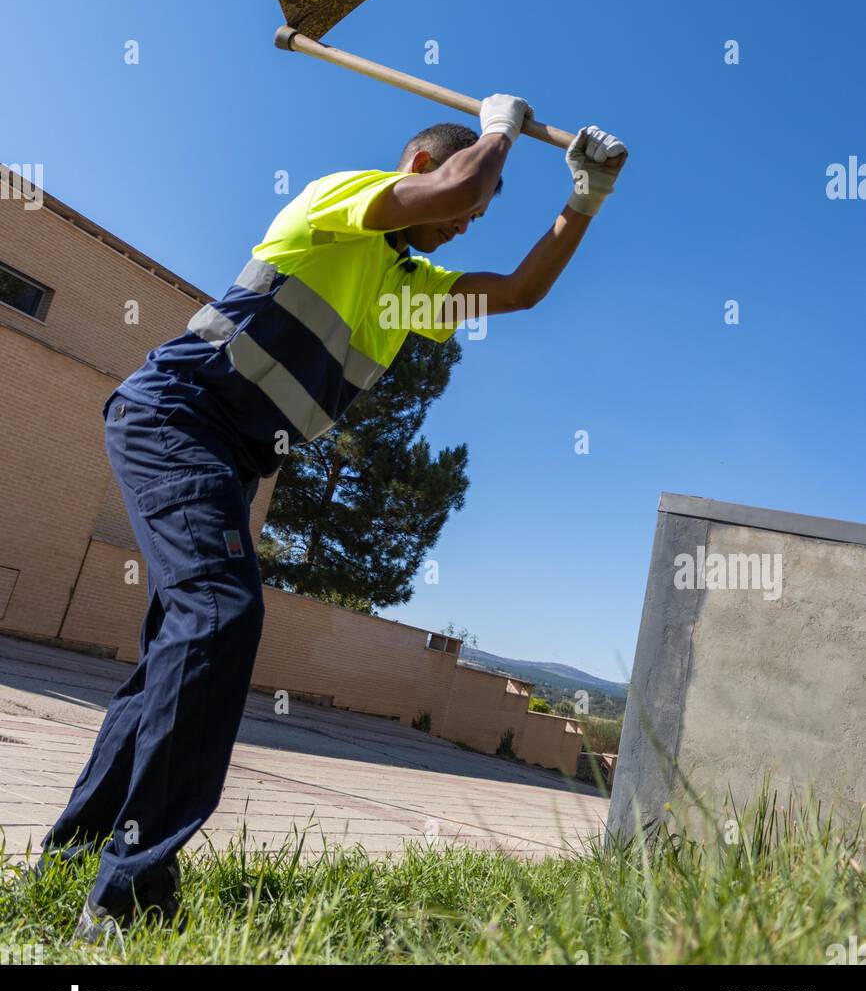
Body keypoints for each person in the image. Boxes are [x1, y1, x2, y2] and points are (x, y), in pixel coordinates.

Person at [37, 94, 627, 941]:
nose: (467, 228)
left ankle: (78, 854)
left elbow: (523, 291)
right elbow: (460, 193)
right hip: (175, 417)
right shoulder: (337, 205)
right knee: (218, 616)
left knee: (181, 645)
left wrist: (584, 200)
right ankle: (129, 895)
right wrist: (500, 127)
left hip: (233, 456)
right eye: (470, 204)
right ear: (421, 166)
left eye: (483, 212)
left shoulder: (407, 293)